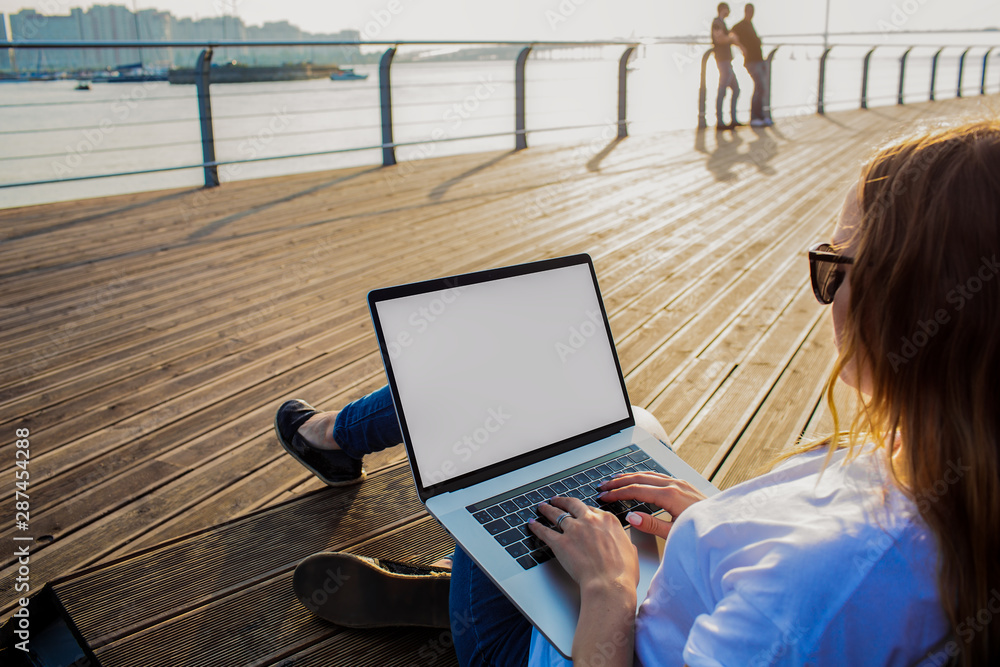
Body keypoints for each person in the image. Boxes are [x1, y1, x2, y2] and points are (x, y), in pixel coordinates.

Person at [276, 121, 1000, 665]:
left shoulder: (826, 583)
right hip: (663, 587)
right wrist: (719, 525)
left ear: (910, 302)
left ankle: (342, 450)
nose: (827, 291)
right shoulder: (937, 460)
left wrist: (607, 589)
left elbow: (808, 598)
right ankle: (448, 538)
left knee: (485, 390)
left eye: (833, 264)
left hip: (576, 639)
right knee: (615, 422)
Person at [730, 3, 773, 126]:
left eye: (752, 11)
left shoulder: (750, 24)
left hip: (759, 60)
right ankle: (754, 117)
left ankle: (761, 116)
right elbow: (731, 35)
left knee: (762, 88)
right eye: (749, 10)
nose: (751, 13)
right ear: (745, 11)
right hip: (751, 61)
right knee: (759, 87)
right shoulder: (741, 25)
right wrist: (741, 47)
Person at [711, 2, 740, 131]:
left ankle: (733, 119)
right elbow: (719, 39)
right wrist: (731, 37)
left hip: (727, 60)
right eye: (727, 9)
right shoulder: (717, 22)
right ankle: (720, 121)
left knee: (736, 89)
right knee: (722, 89)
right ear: (723, 9)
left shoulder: (722, 23)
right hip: (722, 60)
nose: (729, 12)